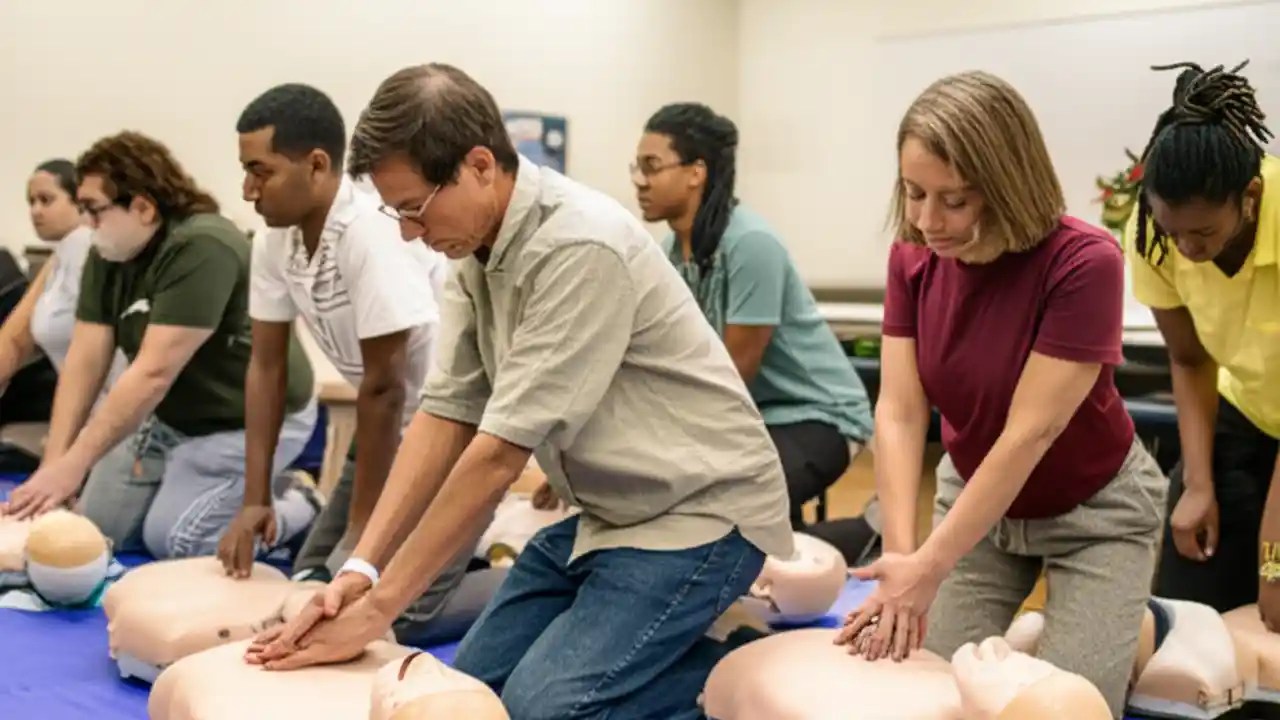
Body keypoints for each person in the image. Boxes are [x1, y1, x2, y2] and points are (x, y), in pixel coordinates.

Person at [243, 63, 793, 720]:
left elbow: (497, 454)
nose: (409, 233)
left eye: (415, 208)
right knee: (469, 693)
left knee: (544, 710)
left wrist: (383, 608)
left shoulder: (579, 244)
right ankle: (674, 653)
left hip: (699, 519)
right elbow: (444, 414)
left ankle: (743, 674)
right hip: (610, 517)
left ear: (480, 165)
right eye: (395, 212)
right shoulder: (477, 249)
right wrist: (361, 573)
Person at [831, 71, 1166, 718]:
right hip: (977, 507)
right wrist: (904, 559)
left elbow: (1028, 434)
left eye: (954, 200)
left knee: (1066, 708)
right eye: (914, 193)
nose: (927, 220)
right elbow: (901, 412)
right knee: (926, 691)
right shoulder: (912, 255)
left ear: (1006, 183)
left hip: (1096, 513)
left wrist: (930, 569)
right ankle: (1042, 634)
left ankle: (1141, 628)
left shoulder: (1083, 262)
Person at [221, 82, 488, 645]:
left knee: (389, 614)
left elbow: (386, 388)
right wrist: (254, 500)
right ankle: (454, 557)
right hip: (387, 433)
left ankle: (533, 576)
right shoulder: (276, 240)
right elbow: (265, 367)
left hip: (451, 432)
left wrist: (367, 540)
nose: (248, 189)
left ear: (317, 165)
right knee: (310, 581)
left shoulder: (369, 230)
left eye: (260, 171)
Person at [0, 131, 321, 563]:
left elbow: (153, 372)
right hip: (171, 417)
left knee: (176, 542)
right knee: (95, 533)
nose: (87, 224)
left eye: (95, 210)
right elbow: (85, 361)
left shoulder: (202, 246)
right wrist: (54, 467)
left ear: (143, 207)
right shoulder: (106, 252)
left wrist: (75, 467)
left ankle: (294, 501)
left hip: (244, 420)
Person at [632, 103, 874, 544]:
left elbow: (732, 373)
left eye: (651, 166)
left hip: (819, 416)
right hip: (753, 418)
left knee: (726, 511)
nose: (639, 180)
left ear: (696, 173)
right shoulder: (671, 251)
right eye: (637, 167)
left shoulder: (750, 244)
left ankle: (866, 538)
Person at [1126, 62, 1280, 625]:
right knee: (1185, 612)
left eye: (1204, 234)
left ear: (1250, 196)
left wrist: (1274, 562)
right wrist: (1196, 485)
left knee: (1274, 601)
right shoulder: (1153, 235)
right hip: (1244, 411)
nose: (1186, 248)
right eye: (1174, 232)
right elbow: (1189, 359)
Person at [0, 161, 127, 456]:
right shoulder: (63, 254)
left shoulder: (89, 249)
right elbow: (15, 340)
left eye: (47, 200)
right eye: (31, 202)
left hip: (107, 420)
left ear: (79, 202)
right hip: (82, 418)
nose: (36, 211)